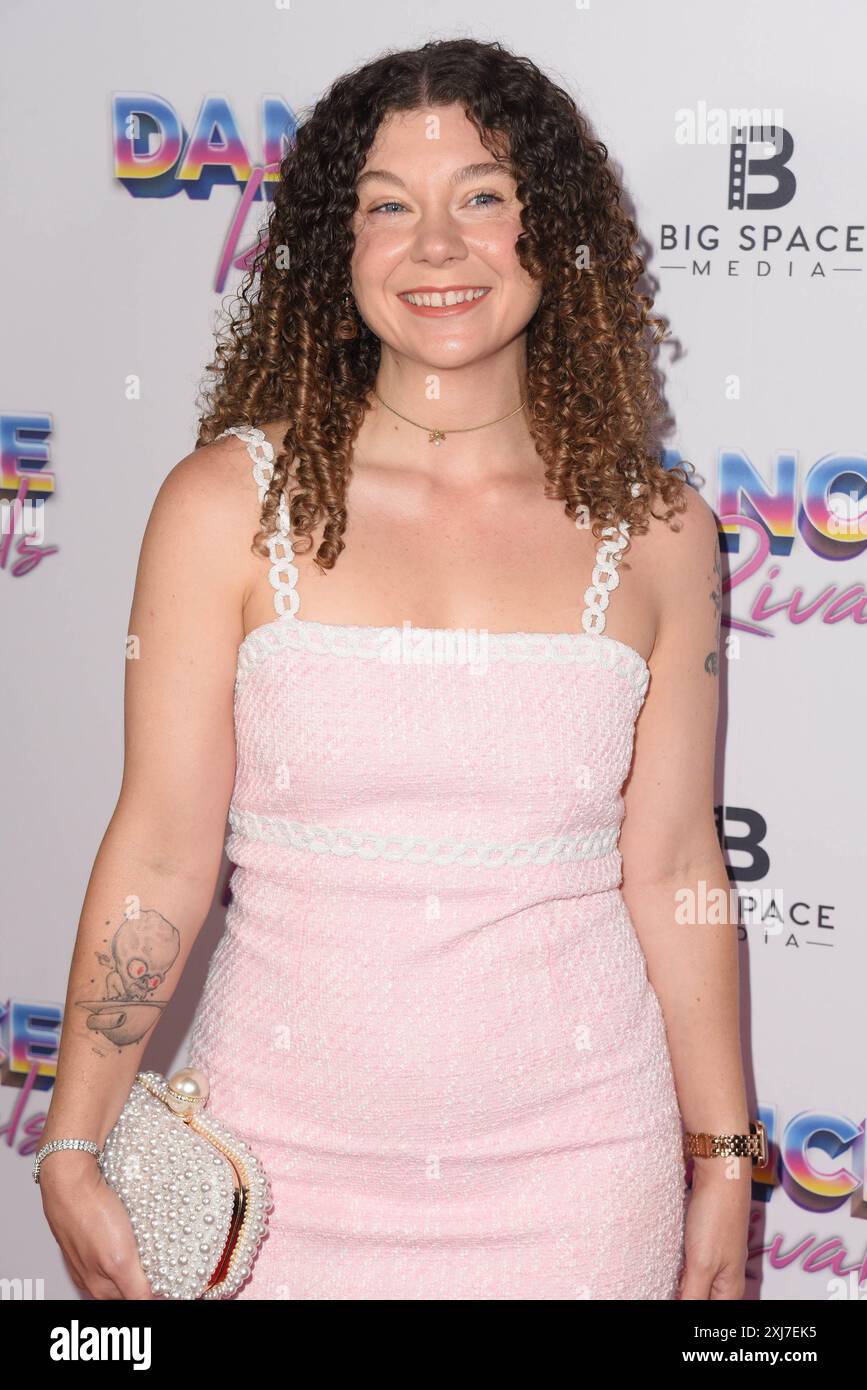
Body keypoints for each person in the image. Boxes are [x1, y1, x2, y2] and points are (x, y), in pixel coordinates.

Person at [37, 36, 756, 1301]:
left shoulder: (663, 530)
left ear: (554, 230)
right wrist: (74, 1138)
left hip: (582, 1178)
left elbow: (679, 867)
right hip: (267, 1179)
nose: (437, 245)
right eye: (387, 207)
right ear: (338, 245)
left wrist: (723, 1158)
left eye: (482, 196)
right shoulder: (223, 507)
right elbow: (159, 846)